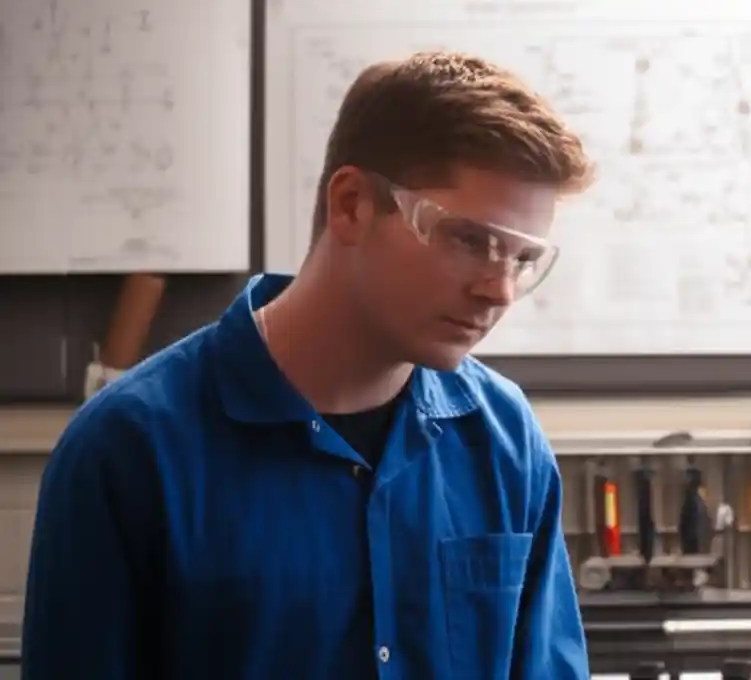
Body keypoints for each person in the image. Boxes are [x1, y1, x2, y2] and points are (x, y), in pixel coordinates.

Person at [22, 50, 596, 680]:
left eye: (521, 259)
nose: (500, 291)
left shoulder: (504, 439)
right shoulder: (129, 450)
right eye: (469, 240)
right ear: (351, 204)